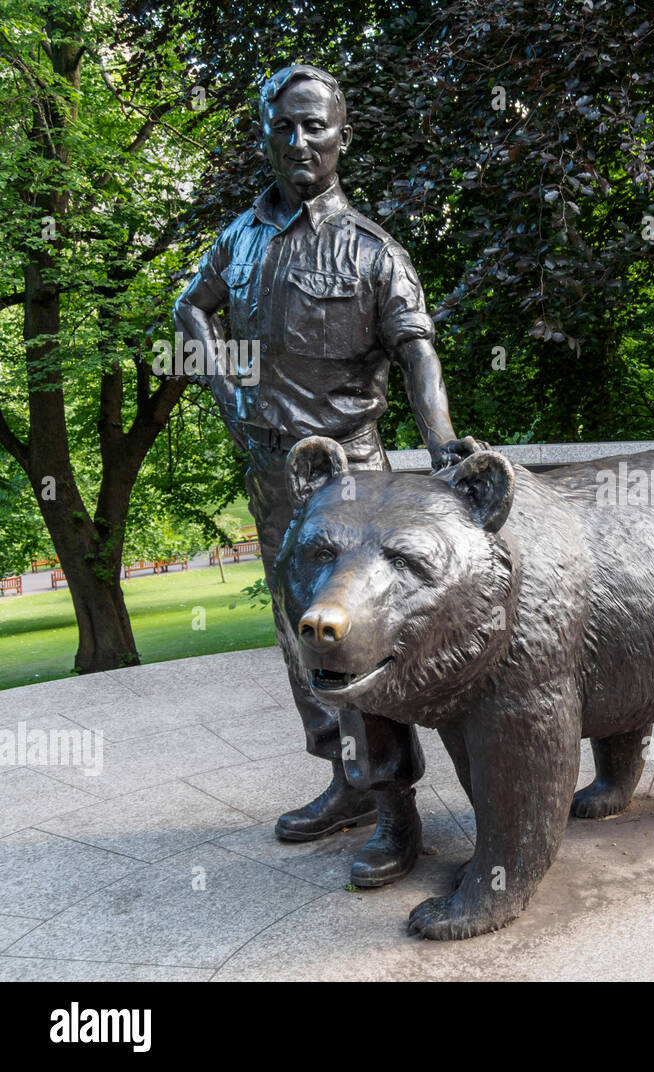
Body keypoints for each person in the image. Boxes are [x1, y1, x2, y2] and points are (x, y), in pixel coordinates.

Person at [173, 65, 480, 888]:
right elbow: (189, 310)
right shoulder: (237, 238)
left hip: (353, 481)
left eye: (316, 126)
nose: (300, 141)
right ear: (266, 135)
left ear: (343, 136)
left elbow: (417, 349)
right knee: (299, 638)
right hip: (274, 475)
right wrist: (226, 382)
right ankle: (344, 779)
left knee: (361, 636)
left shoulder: (372, 251)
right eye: (285, 126)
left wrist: (442, 440)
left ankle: (394, 811)